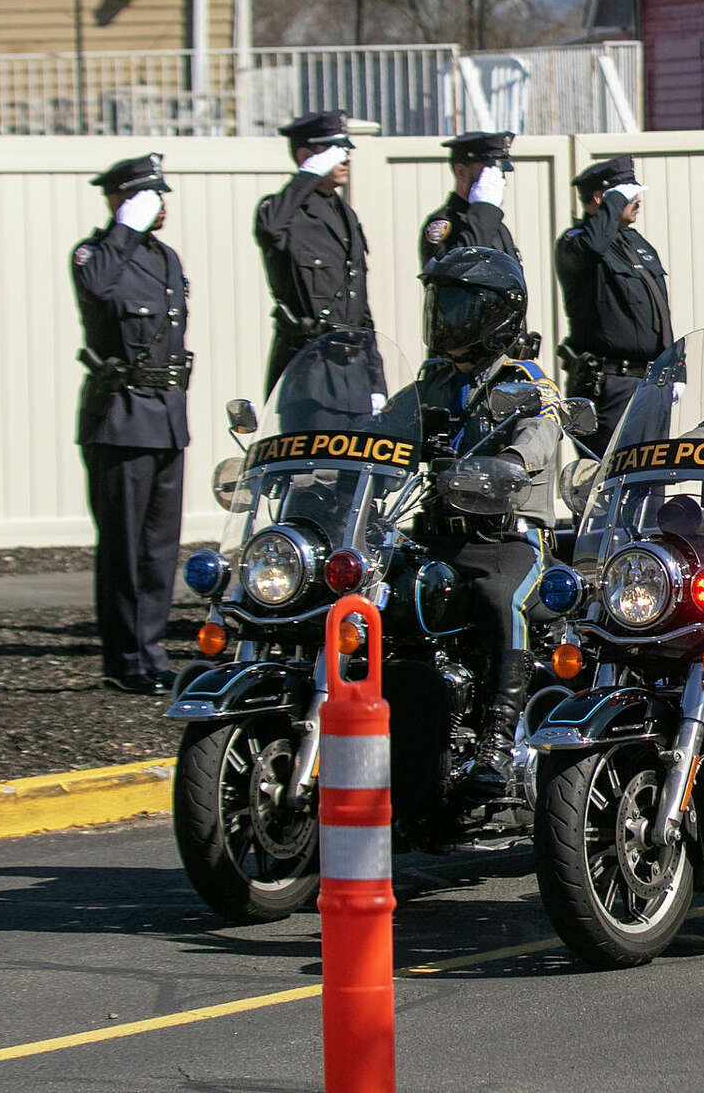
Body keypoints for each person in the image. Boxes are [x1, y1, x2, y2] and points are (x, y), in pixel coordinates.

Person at [410, 247, 565, 801]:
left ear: (494, 313)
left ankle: (497, 741)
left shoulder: (524, 378)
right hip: (438, 536)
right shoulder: (433, 380)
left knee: (505, 600)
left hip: (507, 537)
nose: (443, 315)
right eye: (440, 302)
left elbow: (543, 431)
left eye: (456, 304)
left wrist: (515, 461)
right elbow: (385, 431)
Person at [71, 154, 190, 695]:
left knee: (160, 546)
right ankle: (124, 660)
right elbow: (95, 289)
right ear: (121, 199)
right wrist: (122, 229)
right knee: (122, 544)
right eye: (147, 195)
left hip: (165, 415)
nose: (160, 205)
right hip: (119, 417)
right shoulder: (96, 254)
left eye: (161, 195)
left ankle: (151, 651)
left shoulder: (164, 259)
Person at [555, 155, 672, 451]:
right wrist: (610, 207)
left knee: (651, 478)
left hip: (649, 382)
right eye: (627, 195)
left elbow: (658, 309)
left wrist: (673, 366)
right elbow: (592, 247)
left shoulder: (636, 244)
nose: (637, 201)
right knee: (606, 480)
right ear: (600, 198)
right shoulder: (576, 242)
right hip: (608, 386)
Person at [254, 111, 372, 395]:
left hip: (352, 373)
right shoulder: (284, 212)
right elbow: (270, 229)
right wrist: (307, 174)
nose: (346, 159)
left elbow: (360, 307)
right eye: (332, 151)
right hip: (308, 370)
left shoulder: (345, 215)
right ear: (306, 155)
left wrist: (375, 380)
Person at [420, 132, 520, 265]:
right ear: (461, 172)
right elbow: (462, 270)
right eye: (490, 173)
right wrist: (484, 209)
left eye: (501, 173)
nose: (501, 181)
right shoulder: (443, 225)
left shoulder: (495, 225)